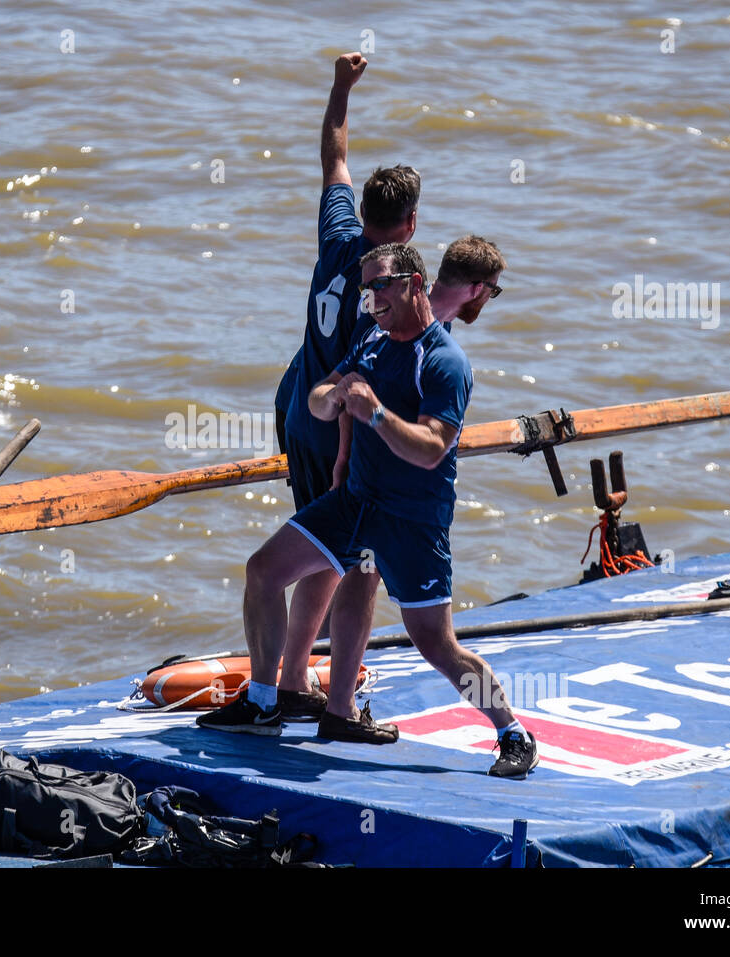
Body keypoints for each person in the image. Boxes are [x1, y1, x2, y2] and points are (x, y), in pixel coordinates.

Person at [201, 242, 537, 780]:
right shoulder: (372, 338)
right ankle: (264, 703)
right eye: (365, 287)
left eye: (380, 285)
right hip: (354, 504)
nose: (371, 297)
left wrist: (376, 412)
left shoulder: (445, 361)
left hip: (412, 521)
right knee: (263, 570)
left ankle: (513, 732)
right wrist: (333, 399)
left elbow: (433, 449)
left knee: (436, 643)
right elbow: (318, 398)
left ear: (414, 284)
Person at [271, 50, 421, 722]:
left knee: (318, 548)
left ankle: (294, 678)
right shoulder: (389, 290)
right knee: (359, 565)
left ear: (362, 212)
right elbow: (367, 378)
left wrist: (340, 87)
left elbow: (334, 155)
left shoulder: (337, 235)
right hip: (340, 437)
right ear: (410, 225)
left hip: (297, 418)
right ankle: (335, 699)